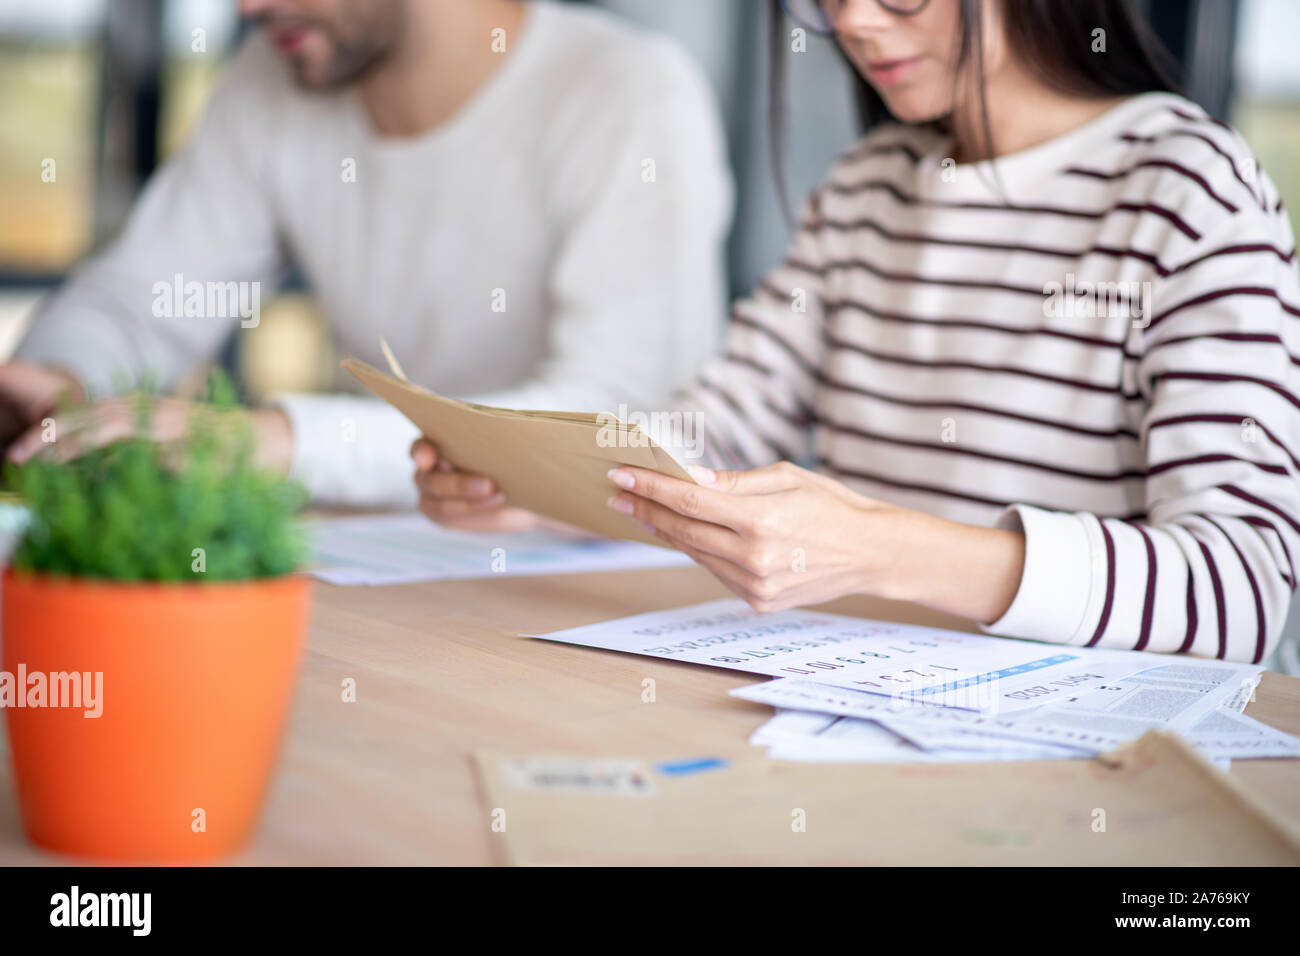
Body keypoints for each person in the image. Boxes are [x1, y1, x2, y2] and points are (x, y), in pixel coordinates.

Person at [413, 0, 1300, 663]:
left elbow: (1241, 590)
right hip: (846, 692)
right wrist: (541, 487)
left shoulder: (1190, 192)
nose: (854, 23)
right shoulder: (866, 187)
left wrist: (882, 549)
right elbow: (719, 431)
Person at [4, 0, 732, 508]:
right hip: (380, 561)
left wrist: (280, 441)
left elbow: (623, 421)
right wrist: (66, 380)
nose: (250, 6)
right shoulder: (275, 77)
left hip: (591, 591)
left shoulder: (627, 89)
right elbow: (142, 301)